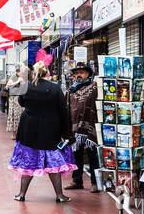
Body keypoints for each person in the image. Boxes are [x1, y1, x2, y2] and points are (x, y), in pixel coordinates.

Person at [8, 60, 76, 202]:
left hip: (29, 129)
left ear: (34, 73)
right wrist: (66, 133)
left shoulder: (27, 86)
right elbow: (63, 111)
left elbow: (22, 102)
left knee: (28, 162)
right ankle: (59, 195)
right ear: (48, 73)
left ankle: (21, 194)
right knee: (54, 164)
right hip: (51, 130)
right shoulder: (55, 88)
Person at [66, 60, 100, 192]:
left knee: (93, 155)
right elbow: (67, 106)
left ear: (88, 74)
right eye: (77, 73)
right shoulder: (71, 90)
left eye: (81, 72)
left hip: (90, 125)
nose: (79, 75)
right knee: (76, 154)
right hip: (75, 127)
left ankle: (95, 182)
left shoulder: (94, 87)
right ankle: (77, 180)